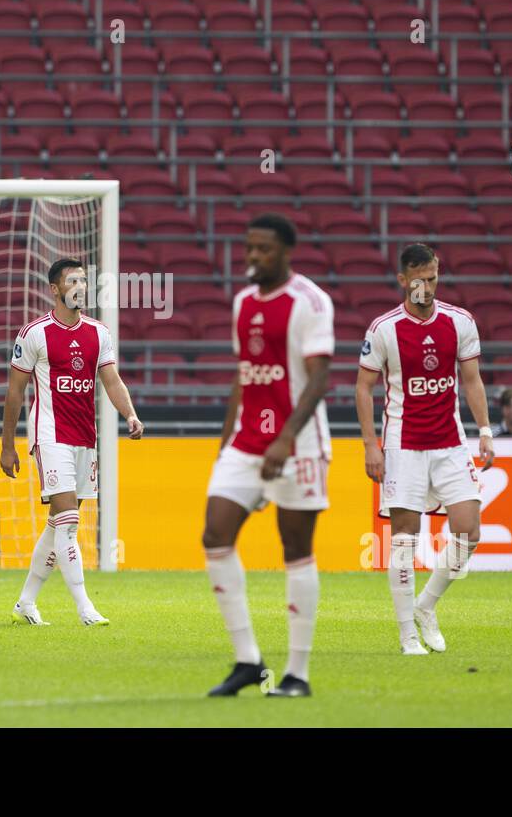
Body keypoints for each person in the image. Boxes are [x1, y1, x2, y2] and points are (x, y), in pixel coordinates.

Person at [200, 214, 334, 699]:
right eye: (249, 248)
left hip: (296, 444)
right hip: (246, 443)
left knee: (294, 550)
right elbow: (245, 374)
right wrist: (225, 442)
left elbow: (319, 379)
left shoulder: (310, 302)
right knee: (215, 535)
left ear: (286, 252)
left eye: (264, 250)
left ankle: (296, 674)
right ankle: (248, 661)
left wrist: (286, 437)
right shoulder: (240, 303)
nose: (254, 257)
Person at [355, 243, 494, 656]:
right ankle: (406, 636)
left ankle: (426, 606)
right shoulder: (383, 329)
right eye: (419, 280)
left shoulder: (460, 321)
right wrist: (371, 446)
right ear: (403, 280)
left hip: (450, 442)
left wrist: (485, 430)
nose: (427, 287)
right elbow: (363, 388)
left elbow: (471, 380)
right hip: (402, 445)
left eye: (432, 278)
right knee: (404, 539)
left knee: (469, 531)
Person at [0, 258, 143, 627]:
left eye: (84, 279)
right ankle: (84, 607)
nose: (80, 285)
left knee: (58, 525)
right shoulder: (34, 333)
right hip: (50, 435)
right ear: (55, 289)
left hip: (84, 437)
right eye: (72, 280)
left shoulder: (98, 332)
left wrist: (129, 414)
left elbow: (112, 381)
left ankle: (25, 603)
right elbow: (15, 392)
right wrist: (7, 444)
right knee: (68, 519)